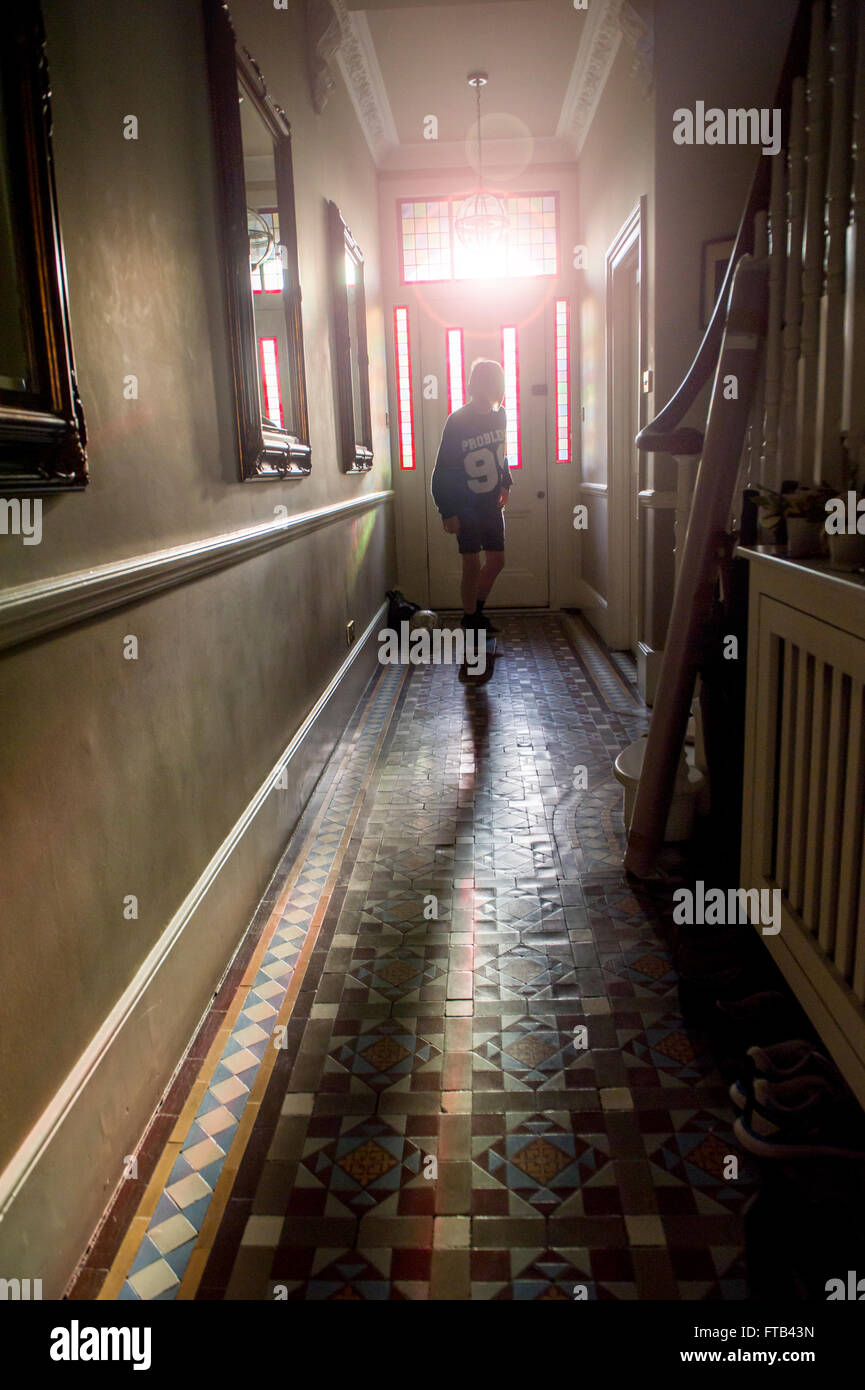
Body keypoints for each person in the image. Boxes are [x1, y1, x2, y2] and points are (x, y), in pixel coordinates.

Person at [430, 358, 511, 632]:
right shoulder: (458, 420)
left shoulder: (501, 415)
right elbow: (443, 468)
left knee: (497, 560)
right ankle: (470, 617)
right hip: (465, 504)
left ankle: (475, 612)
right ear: (477, 386)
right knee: (471, 563)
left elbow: (501, 453)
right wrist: (447, 510)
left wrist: (505, 483)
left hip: (491, 503)